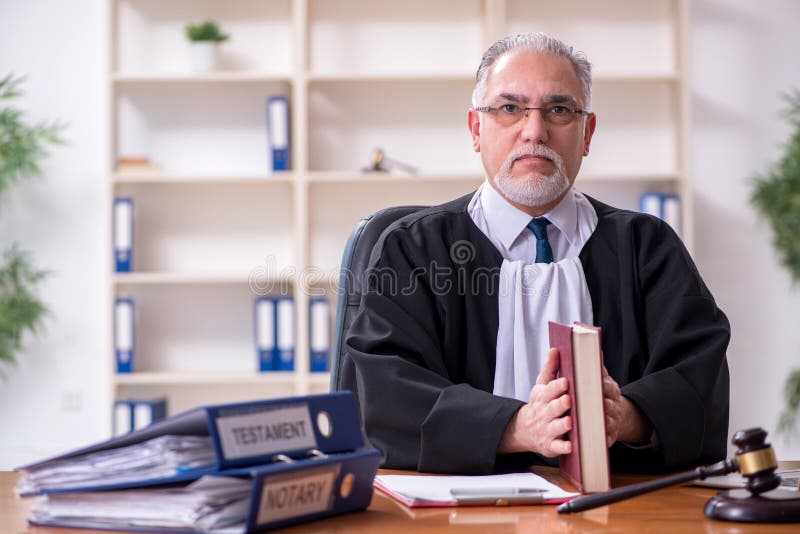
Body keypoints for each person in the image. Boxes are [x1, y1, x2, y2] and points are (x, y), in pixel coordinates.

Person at [344, 33, 730, 475]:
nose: (535, 131)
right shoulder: (411, 249)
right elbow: (384, 397)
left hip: (619, 508)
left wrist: (627, 417)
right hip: (459, 513)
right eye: (510, 108)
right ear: (476, 129)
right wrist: (516, 427)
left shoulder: (647, 248)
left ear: (586, 133)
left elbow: (702, 383)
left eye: (559, 110)